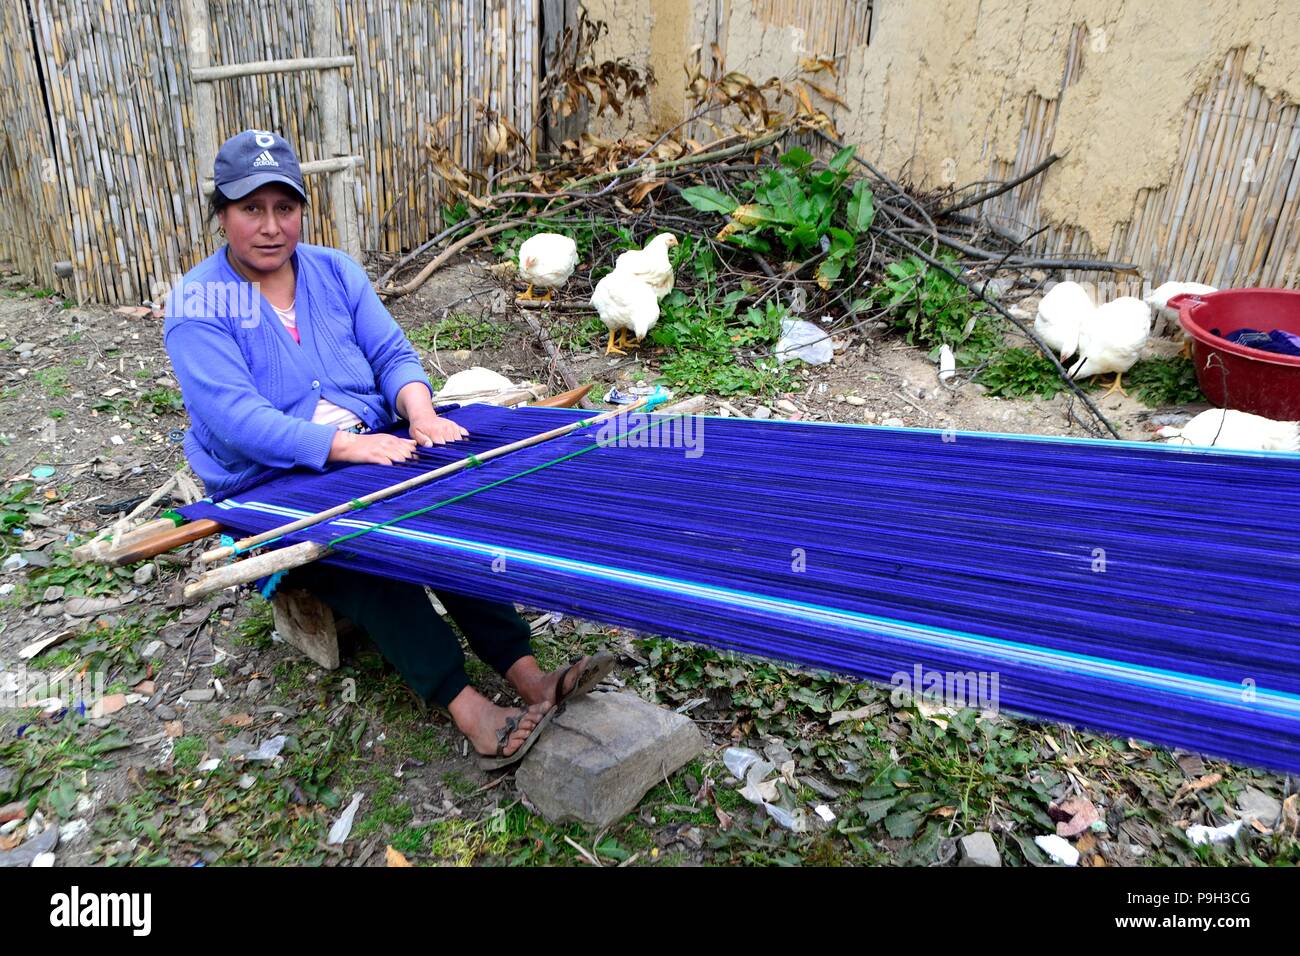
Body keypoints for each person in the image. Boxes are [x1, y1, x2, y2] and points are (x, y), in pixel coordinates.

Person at [163, 129, 611, 768]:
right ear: (221, 214)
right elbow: (236, 420)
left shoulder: (335, 273)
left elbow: (391, 353)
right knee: (366, 550)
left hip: (377, 447)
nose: (270, 227)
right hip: (267, 485)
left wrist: (419, 411)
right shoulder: (197, 303)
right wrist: (346, 447)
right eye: (249, 209)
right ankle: (466, 705)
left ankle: (526, 673)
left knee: (454, 512)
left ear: (301, 210)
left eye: (284, 208)